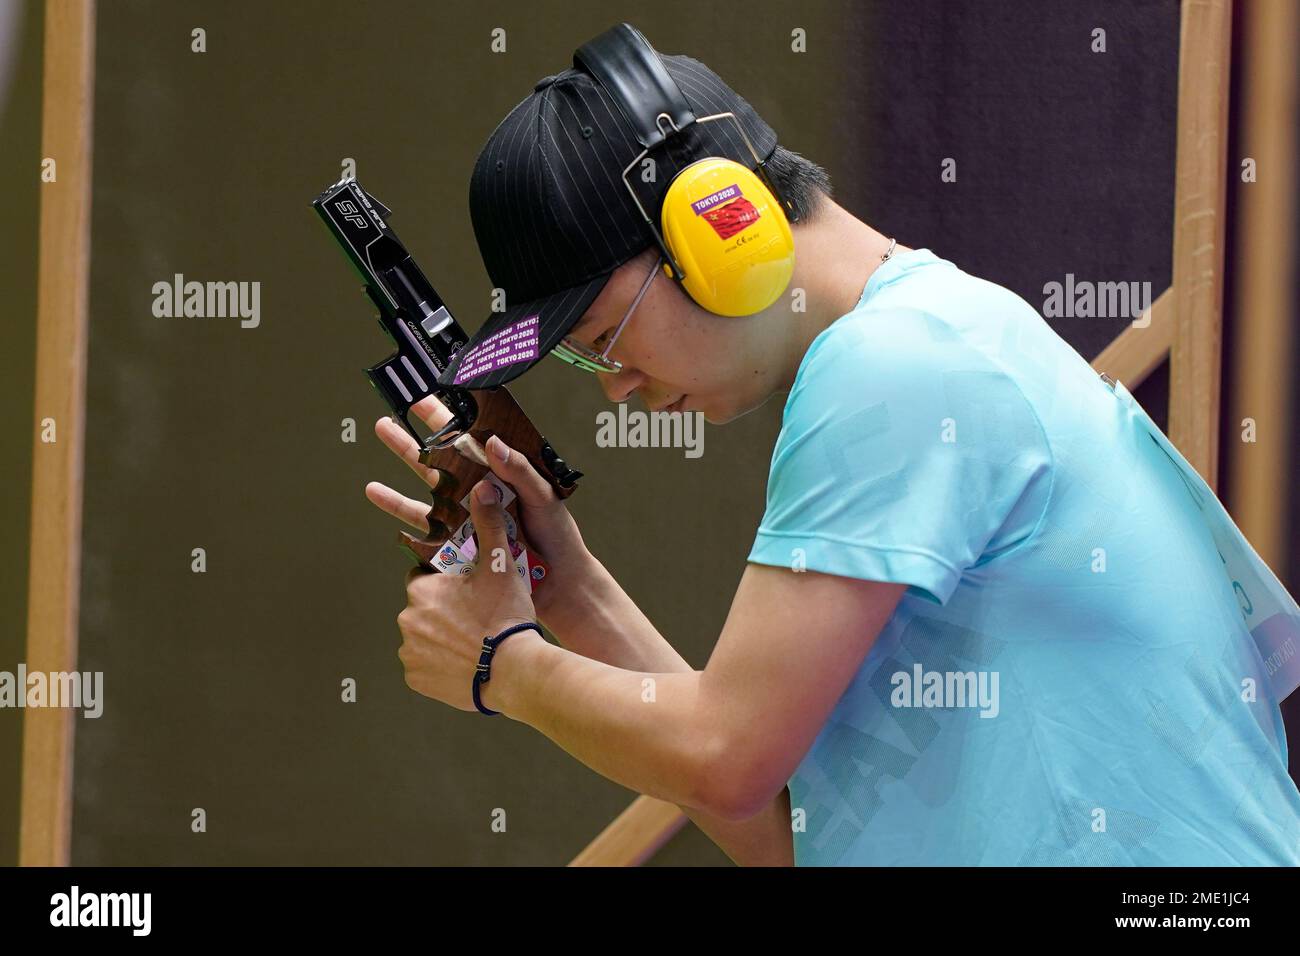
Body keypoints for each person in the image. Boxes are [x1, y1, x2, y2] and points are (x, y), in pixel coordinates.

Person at [363, 24, 1300, 866]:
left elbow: (724, 759)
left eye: (603, 332)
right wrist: (565, 592)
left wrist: (502, 664)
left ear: (715, 228)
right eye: (576, 357)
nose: (613, 383)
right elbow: (787, 831)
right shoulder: (932, 339)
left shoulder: (895, 369)